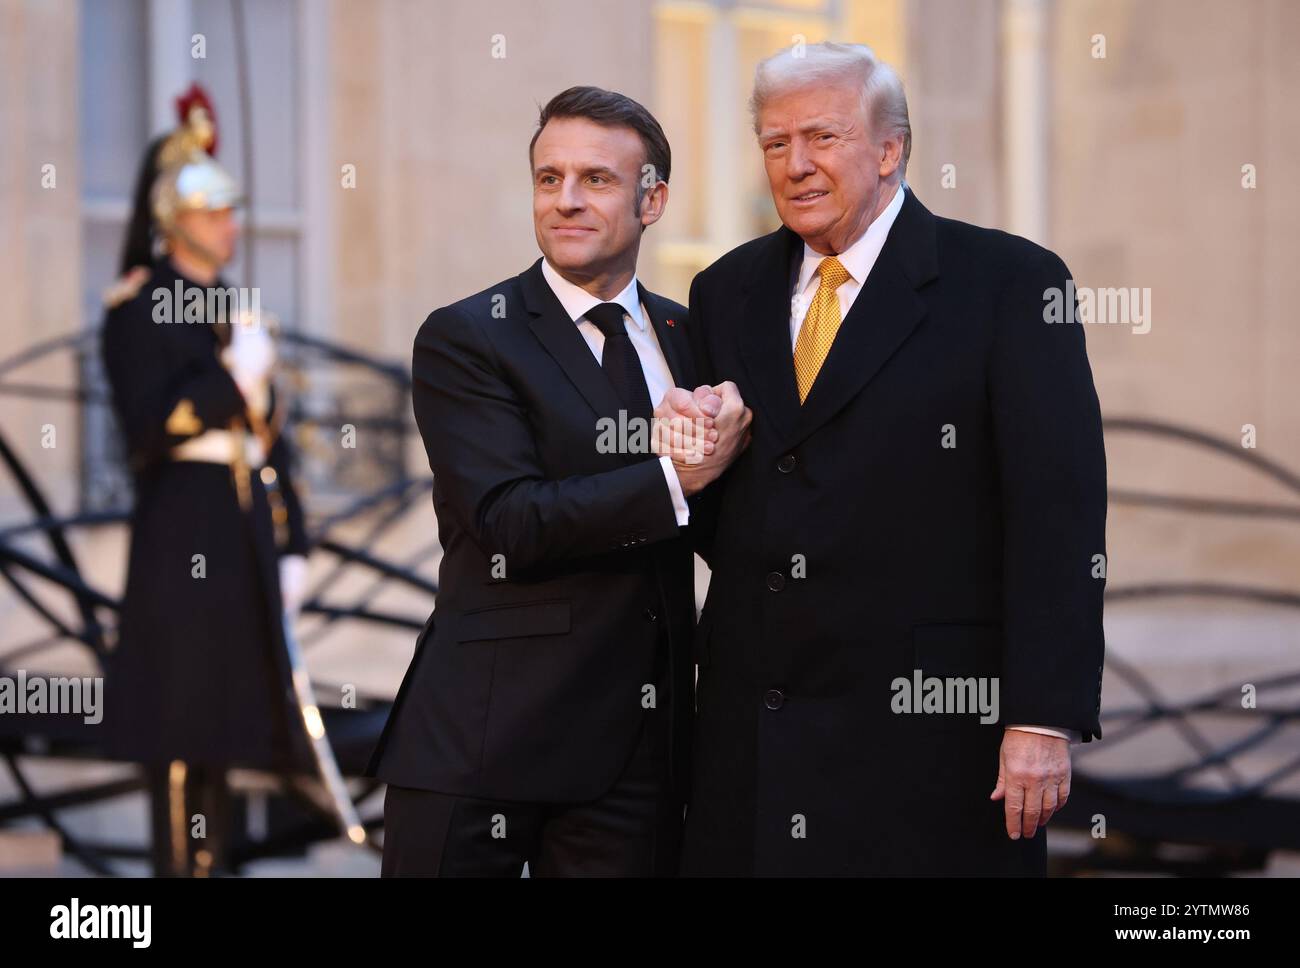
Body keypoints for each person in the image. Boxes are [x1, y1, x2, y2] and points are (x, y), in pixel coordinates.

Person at [677, 42, 1108, 875]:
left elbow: (1058, 516)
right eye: (775, 143)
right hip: (759, 733)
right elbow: (743, 516)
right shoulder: (724, 291)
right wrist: (694, 464)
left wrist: (1042, 718)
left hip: (936, 740)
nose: (796, 164)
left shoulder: (1010, 283)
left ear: (890, 149)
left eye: (823, 138)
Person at [367, 86, 750, 876]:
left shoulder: (689, 337)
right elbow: (510, 520)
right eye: (549, 179)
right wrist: (676, 477)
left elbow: (727, 526)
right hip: (484, 746)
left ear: (655, 200)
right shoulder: (470, 335)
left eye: (596, 180)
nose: (565, 201)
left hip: (638, 762)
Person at [100, 90, 312, 876]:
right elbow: (150, 427)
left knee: (227, 725)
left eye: (230, 210)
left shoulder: (232, 307)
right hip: (183, 532)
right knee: (181, 724)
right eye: (214, 210)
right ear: (175, 217)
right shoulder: (138, 307)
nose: (231, 225)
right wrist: (231, 381)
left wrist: (296, 544)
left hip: (242, 533)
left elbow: (270, 441)